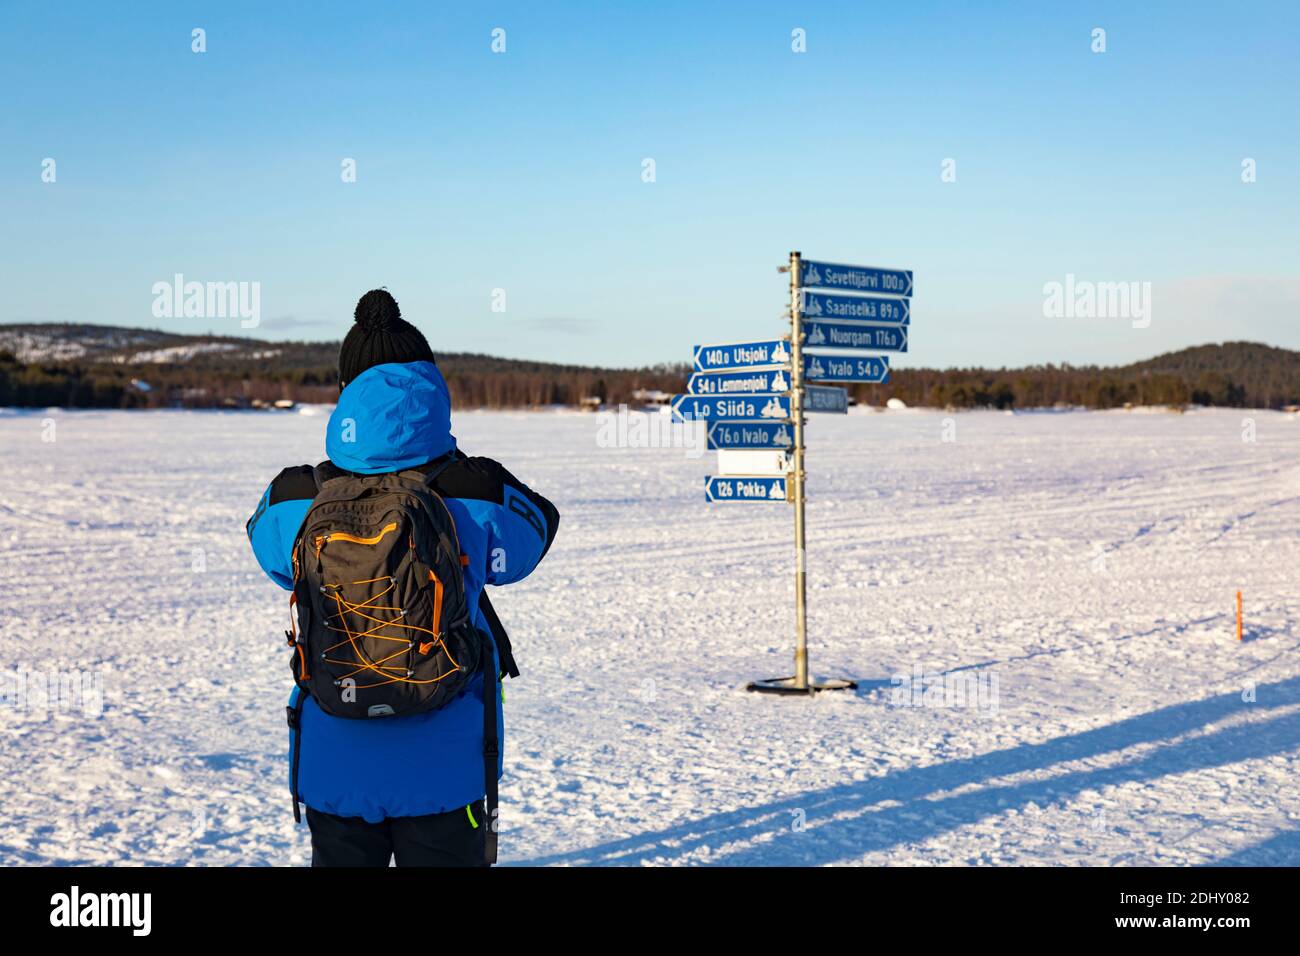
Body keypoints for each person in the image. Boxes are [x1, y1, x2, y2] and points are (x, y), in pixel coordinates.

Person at [246, 289, 559, 866]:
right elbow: (535, 537)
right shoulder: (474, 489)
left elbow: (267, 554)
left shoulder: (297, 496)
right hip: (444, 768)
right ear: (430, 387)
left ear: (345, 394)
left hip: (334, 761)